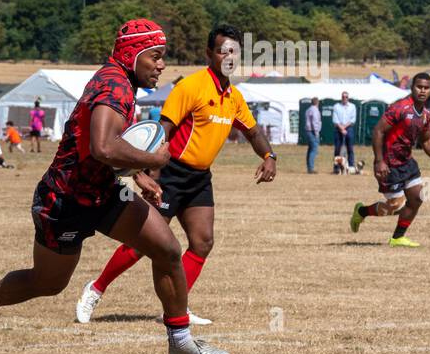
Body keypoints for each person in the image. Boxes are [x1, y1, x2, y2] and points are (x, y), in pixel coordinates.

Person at [0, 19, 228, 354]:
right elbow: (102, 147)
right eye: (156, 56)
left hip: (105, 193)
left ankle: (180, 338)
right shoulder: (114, 86)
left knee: (168, 249)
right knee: (48, 283)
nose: (161, 65)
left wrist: (140, 174)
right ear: (134, 54)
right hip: (65, 200)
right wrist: (154, 158)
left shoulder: (122, 82)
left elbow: (105, 150)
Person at [75, 24, 278, 326]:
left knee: (202, 242)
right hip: (170, 174)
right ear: (210, 53)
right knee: (145, 243)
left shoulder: (233, 97)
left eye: (235, 51)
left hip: (199, 179)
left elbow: (253, 131)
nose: (230, 56)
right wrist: (146, 172)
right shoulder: (191, 87)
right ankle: (96, 288)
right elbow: (162, 131)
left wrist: (268, 156)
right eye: (223, 50)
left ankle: (175, 307)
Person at [350, 72, 430, 247]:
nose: (422, 91)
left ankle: (397, 238)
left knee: (417, 198)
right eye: (419, 87)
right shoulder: (400, 107)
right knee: (395, 206)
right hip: (389, 164)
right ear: (412, 88)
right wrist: (379, 161)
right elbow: (378, 131)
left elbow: (426, 141)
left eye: (426, 88)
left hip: (407, 163)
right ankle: (361, 211)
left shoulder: (426, 115)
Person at [332, 91, 357, 174]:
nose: (344, 98)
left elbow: (352, 119)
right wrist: (341, 128)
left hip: (348, 128)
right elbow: (335, 119)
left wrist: (345, 127)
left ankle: (351, 167)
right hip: (338, 128)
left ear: (348, 98)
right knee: (337, 149)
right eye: (343, 97)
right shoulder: (336, 106)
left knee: (350, 148)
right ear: (341, 97)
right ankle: (336, 168)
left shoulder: (352, 106)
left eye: (346, 97)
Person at [304, 98, 321, 173]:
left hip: (308, 130)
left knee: (310, 149)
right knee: (314, 150)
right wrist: (316, 132)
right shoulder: (315, 110)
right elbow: (315, 121)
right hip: (312, 131)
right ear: (317, 102)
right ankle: (311, 168)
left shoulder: (308, 110)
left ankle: (309, 167)